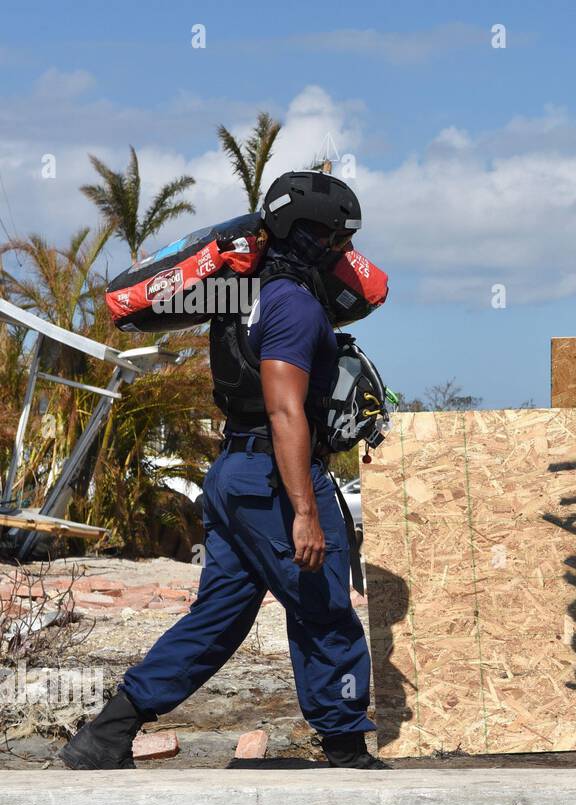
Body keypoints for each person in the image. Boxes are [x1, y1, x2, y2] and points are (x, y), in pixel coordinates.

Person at [60, 171, 387, 769]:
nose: (344, 250)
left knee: (218, 618)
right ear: (304, 233)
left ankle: (108, 732)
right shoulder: (292, 304)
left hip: (235, 473)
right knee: (324, 607)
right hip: (275, 480)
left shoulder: (242, 294)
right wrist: (306, 513)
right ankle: (347, 747)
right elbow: (286, 411)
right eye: (336, 237)